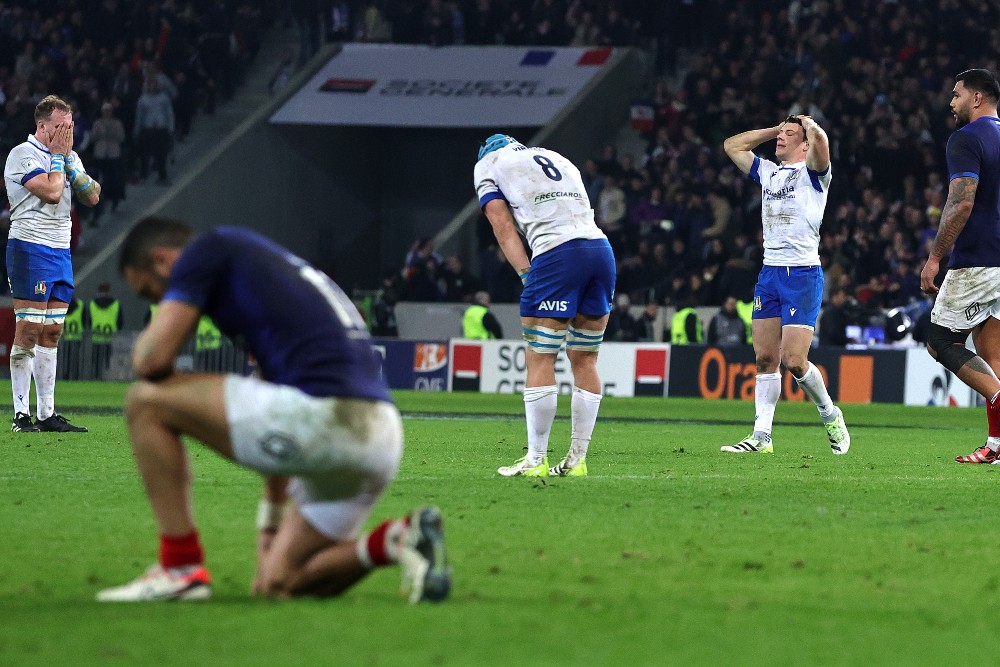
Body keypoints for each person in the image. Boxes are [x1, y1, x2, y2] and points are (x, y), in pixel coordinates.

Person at [97, 217, 450, 602]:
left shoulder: (206, 251)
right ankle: (401, 539)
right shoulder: (265, 275)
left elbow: (151, 361)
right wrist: (272, 519)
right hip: (379, 435)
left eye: (153, 293)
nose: (159, 304)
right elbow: (272, 394)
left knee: (145, 400)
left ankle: (180, 568)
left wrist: (150, 344)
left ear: (162, 261)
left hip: (328, 418)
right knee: (279, 582)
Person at [475, 134, 615, 477]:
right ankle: (577, 460)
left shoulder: (488, 165)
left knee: (540, 357)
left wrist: (527, 273)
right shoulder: (557, 156)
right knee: (585, 358)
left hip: (557, 255)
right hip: (600, 251)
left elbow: (502, 225)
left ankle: (536, 460)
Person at [721, 114, 850, 455]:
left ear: (805, 143)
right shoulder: (768, 172)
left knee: (794, 360)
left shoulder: (814, 174)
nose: (781, 139)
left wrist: (812, 127)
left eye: (789, 135)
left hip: (803, 274)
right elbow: (732, 145)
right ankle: (761, 437)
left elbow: (822, 146)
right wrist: (774, 129)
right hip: (770, 274)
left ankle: (830, 413)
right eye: (782, 134)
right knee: (765, 358)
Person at [918, 69, 1000, 464]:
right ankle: (996, 447)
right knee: (992, 353)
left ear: (977, 98)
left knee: (940, 341)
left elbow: (962, 201)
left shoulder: (966, 139)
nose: (951, 103)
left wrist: (935, 257)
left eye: (956, 95)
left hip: (978, 261)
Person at [4, 95, 98, 433]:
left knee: (53, 331)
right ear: (42, 126)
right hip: (30, 247)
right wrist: (60, 159)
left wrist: (70, 164)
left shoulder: (68, 157)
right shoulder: (22, 154)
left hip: (61, 251)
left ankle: (46, 414)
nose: (67, 133)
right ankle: (20, 415)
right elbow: (53, 192)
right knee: (29, 328)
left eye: (71, 126)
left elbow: (92, 196)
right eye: (61, 127)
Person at [87, 282, 123, 379]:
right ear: (109, 290)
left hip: (96, 337)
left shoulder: (93, 304)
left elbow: (89, 320)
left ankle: (96, 378)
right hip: (111, 338)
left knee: (96, 362)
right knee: (108, 361)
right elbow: (120, 321)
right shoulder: (115, 304)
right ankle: (107, 378)